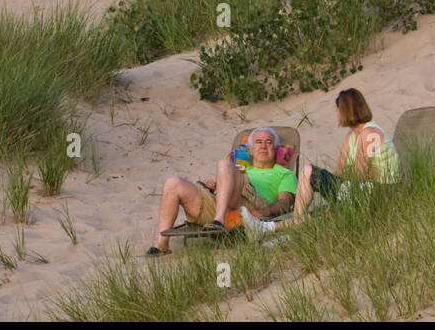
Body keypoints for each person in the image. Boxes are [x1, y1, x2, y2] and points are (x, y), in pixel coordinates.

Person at [240, 88, 398, 237]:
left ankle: (281, 226)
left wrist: (343, 178)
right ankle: (291, 225)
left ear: (345, 110)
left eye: (337, 110)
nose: (336, 114)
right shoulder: (351, 136)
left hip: (382, 193)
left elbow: (358, 175)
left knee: (309, 172)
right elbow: (340, 174)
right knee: (322, 210)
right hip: (361, 190)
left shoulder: (370, 134)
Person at [148, 126, 296, 254]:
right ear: (250, 150)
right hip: (224, 206)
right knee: (173, 183)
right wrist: (213, 188)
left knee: (225, 164)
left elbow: (285, 202)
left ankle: (218, 221)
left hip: (253, 208)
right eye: (258, 142)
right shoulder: (241, 169)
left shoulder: (284, 173)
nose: (263, 146)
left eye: (269, 142)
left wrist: (262, 213)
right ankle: (162, 243)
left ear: (276, 150)